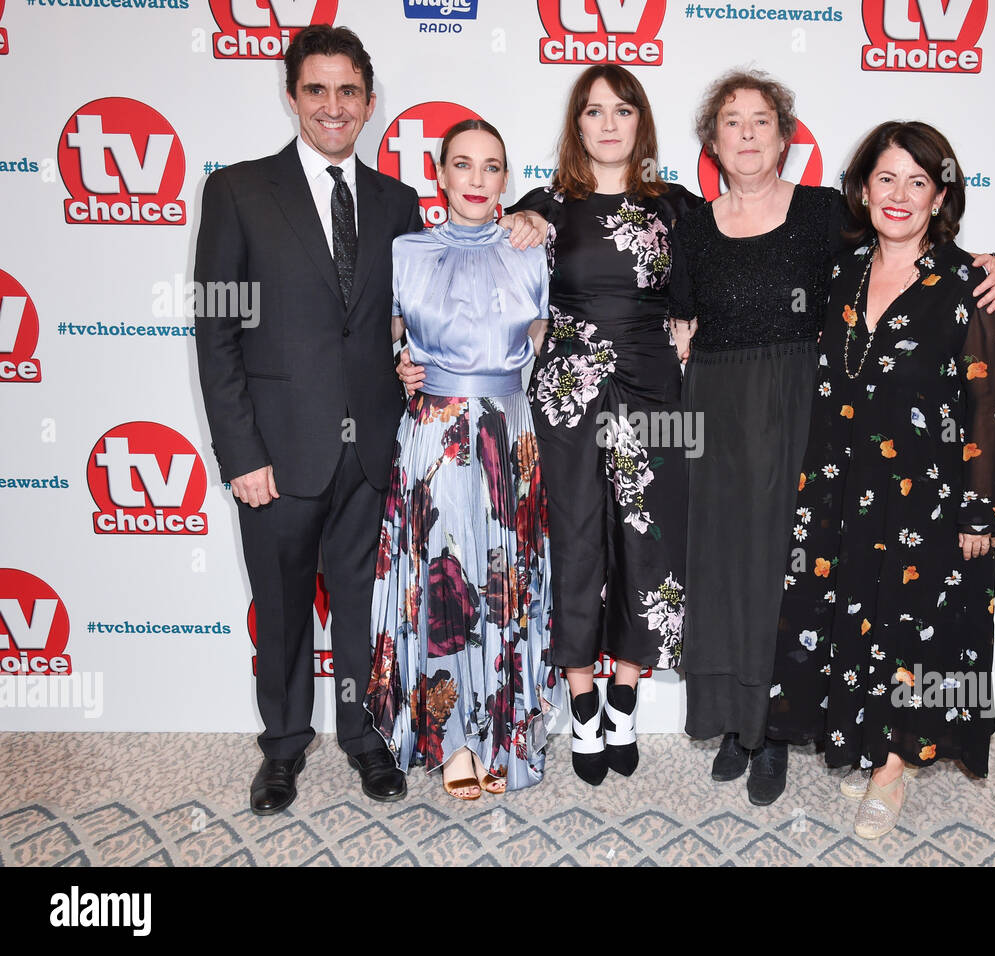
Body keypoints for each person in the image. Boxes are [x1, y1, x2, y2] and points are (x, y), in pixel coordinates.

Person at [668, 70, 995, 806]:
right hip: (724, 412)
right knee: (725, 567)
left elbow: (918, 256)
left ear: (787, 137)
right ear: (712, 140)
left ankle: (777, 731)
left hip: (804, 410)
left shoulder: (826, 215)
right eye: (733, 121)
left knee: (788, 575)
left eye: (763, 119)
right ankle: (734, 718)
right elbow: (631, 263)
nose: (749, 133)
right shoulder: (691, 220)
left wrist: (992, 262)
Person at [400, 66, 700, 786]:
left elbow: (728, 275)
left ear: (640, 122)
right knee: (569, 540)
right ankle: (581, 695)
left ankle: (625, 690)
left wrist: (688, 326)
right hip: (566, 397)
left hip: (651, 393)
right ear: (576, 124)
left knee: (647, 540)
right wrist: (406, 357)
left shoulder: (678, 208)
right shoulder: (543, 206)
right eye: (593, 111)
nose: (607, 124)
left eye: (621, 110)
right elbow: (469, 286)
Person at [194, 25, 422, 814]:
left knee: (361, 611)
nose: (333, 106)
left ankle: (363, 739)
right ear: (291, 95)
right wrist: (239, 453)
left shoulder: (399, 201)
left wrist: (410, 361)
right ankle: (284, 747)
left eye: (348, 91)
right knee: (284, 609)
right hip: (277, 452)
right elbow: (216, 329)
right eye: (316, 89)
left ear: (368, 100)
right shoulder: (237, 191)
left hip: (372, 451)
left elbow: (401, 318)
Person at [767, 121, 995, 838]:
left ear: (940, 196)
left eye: (917, 181)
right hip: (842, 487)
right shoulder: (841, 271)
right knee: (855, 621)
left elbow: (987, 405)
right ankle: (870, 743)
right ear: (863, 189)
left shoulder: (970, 283)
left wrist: (978, 510)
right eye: (886, 179)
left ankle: (893, 770)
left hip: (928, 496)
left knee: (915, 633)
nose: (899, 195)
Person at [366, 120, 560, 800]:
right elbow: (380, 335)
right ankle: (449, 738)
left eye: (492, 167)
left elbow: (561, 335)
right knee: (445, 583)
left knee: (502, 578)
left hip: (510, 433)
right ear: (440, 173)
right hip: (434, 435)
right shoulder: (406, 251)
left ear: (506, 178)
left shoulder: (532, 249)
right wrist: (397, 360)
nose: (478, 180)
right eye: (464, 165)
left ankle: (504, 733)